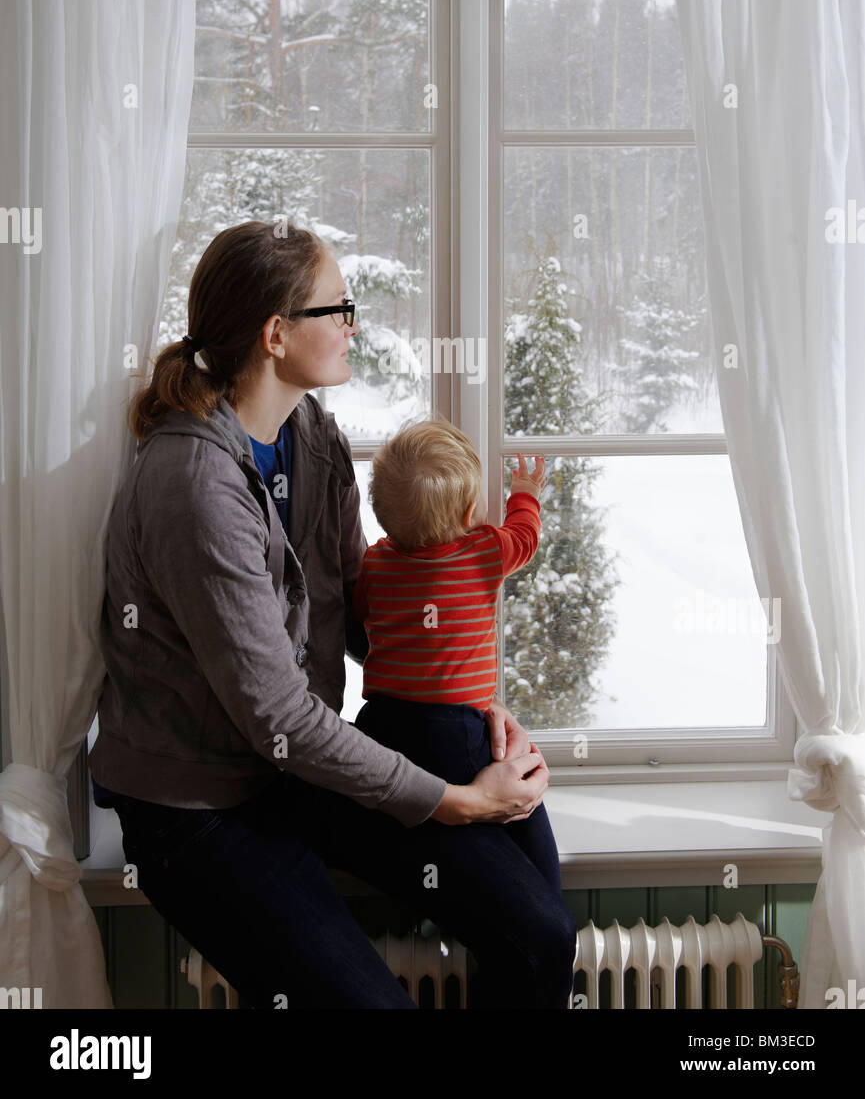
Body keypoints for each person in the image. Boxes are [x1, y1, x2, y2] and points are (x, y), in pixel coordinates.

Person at [88, 219, 577, 1009]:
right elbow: (274, 709)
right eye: (336, 308)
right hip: (200, 813)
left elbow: (361, 614)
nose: (353, 324)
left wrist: (470, 715)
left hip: (293, 770)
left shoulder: (310, 435)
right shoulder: (194, 488)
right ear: (276, 335)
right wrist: (460, 800)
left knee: (540, 934)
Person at [353, 419, 562, 892]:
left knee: (415, 832)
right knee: (519, 808)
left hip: (382, 727)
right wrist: (524, 493)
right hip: (457, 731)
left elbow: (363, 612)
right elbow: (524, 537)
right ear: (471, 512)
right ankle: (547, 894)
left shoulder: (376, 562)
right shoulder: (484, 551)